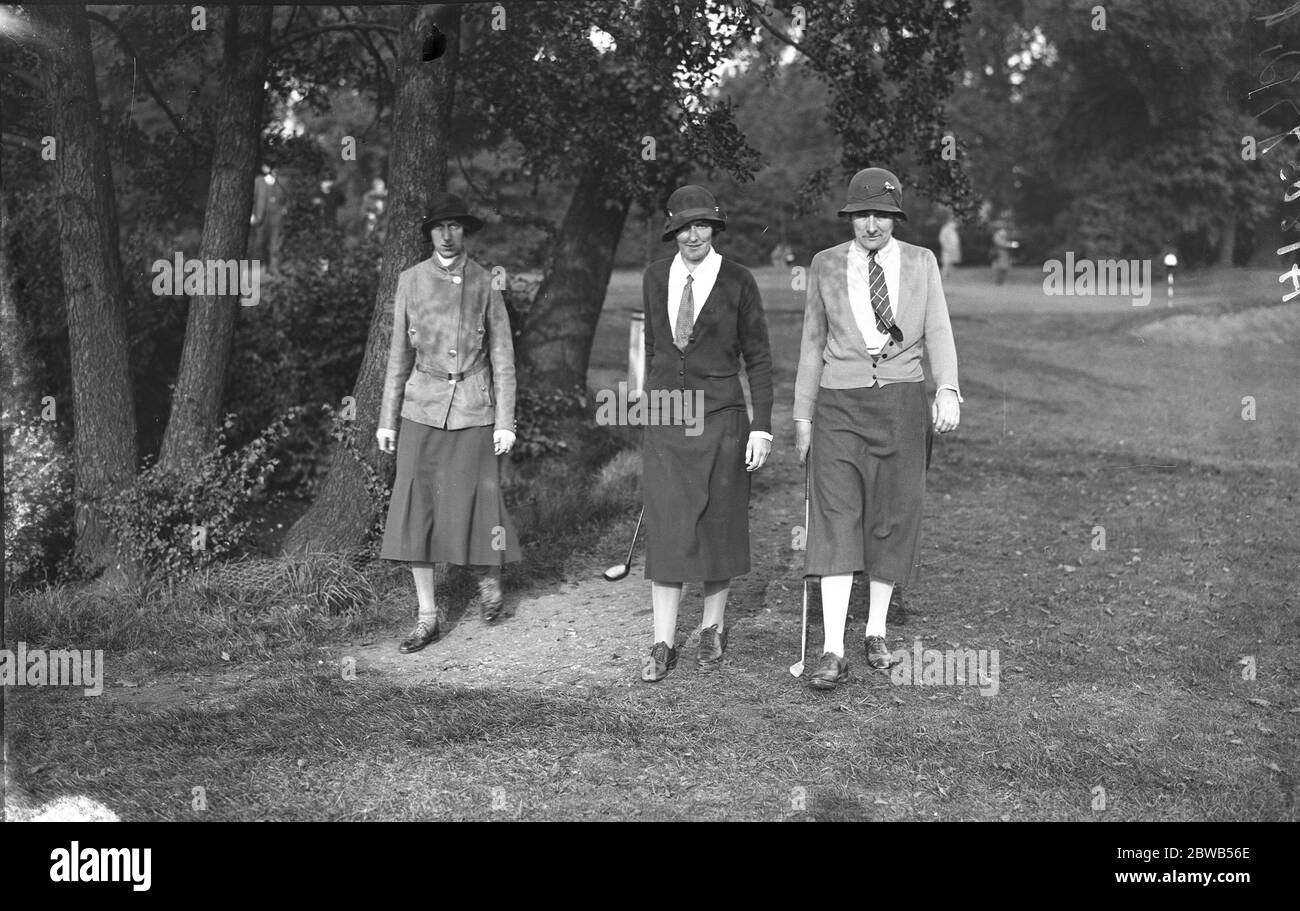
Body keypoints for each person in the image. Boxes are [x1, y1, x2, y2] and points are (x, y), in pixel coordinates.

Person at [793, 168, 961, 691]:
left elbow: (938, 330)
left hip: (902, 403)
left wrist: (948, 389)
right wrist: (802, 416)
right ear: (850, 217)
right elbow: (810, 344)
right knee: (837, 516)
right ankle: (832, 649)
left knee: (891, 514)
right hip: (839, 404)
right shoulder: (824, 265)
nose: (872, 225)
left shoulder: (921, 261)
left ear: (895, 217)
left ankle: (876, 631)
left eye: (882, 215)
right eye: (863, 214)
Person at [638, 185, 774, 682]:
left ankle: (713, 627)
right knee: (669, 524)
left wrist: (762, 427)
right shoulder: (655, 278)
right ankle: (662, 641)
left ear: (715, 229)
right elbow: (655, 348)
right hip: (666, 417)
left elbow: (758, 358)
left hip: (722, 419)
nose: (694, 235)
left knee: (718, 519)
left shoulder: (738, 281)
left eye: (703, 225)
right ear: (672, 231)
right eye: (684, 227)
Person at [376, 192, 520, 653]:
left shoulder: (484, 281)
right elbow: (398, 354)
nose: (447, 234)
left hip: (475, 406)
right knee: (417, 507)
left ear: (465, 231)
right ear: (429, 233)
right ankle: (427, 615)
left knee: (480, 499)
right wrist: (387, 420)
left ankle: (489, 579)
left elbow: (503, 356)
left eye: (455, 226)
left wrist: (505, 420)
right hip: (422, 406)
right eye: (439, 227)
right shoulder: (410, 280)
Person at [249, 164, 288, 274]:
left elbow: (288, 197)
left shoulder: (281, 182)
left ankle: (273, 267)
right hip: (261, 216)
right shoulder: (258, 181)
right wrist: (252, 214)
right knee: (260, 242)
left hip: (276, 216)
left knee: (275, 243)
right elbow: (252, 198)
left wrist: (285, 209)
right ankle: (264, 265)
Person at [990, 214, 1018, 285]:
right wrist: (1010, 245)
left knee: (1004, 267)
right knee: (1000, 267)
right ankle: (998, 281)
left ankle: (1001, 281)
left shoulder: (1005, 233)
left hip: (1005, 253)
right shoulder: (997, 234)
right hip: (999, 252)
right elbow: (1000, 243)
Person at [938, 214, 961, 281]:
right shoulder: (945, 229)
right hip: (947, 248)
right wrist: (946, 246)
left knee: (951, 263)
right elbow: (942, 238)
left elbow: (954, 239)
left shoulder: (953, 230)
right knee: (946, 262)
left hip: (953, 249)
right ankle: (943, 275)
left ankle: (949, 276)